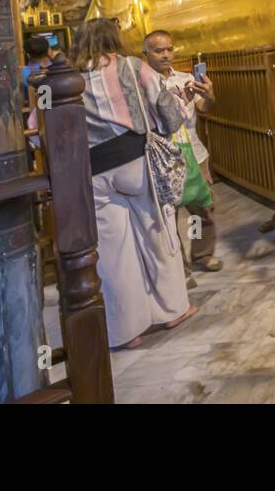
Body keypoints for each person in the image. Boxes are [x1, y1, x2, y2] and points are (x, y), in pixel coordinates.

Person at [69, 18, 196, 349]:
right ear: (114, 37)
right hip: (134, 161)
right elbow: (168, 111)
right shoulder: (131, 66)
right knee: (157, 233)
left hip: (92, 172)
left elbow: (40, 129)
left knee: (113, 254)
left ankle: (126, 331)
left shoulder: (66, 79)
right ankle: (172, 310)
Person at [142, 30, 222, 280]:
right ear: (145, 54)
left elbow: (204, 108)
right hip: (165, 159)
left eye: (169, 49)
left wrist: (209, 95)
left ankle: (202, 254)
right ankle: (182, 269)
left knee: (202, 209)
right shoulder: (142, 85)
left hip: (195, 153)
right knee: (170, 216)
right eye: (158, 50)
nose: (166, 55)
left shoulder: (186, 78)